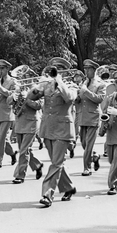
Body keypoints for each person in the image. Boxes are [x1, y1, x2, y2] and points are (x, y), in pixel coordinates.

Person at [38, 60, 78, 207]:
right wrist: (35, 88)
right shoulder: (47, 85)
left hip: (63, 129)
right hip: (48, 128)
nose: (54, 73)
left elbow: (69, 98)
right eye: (53, 70)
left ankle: (47, 194)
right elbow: (34, 96)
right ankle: (69, 187)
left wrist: (59, 82)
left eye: (57, 71)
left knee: (55, 163)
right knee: (57, 163)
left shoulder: (71, 85)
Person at [76, 59, 107, 175]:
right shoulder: (84, 83)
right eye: (85, 69)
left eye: (88, 69)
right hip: (83, 116)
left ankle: (87, 168)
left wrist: (86, 91)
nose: (86, 71)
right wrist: (77, 95)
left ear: (94, 70)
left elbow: (99, 99)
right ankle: (94, 155)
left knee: (89, 144)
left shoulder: (100, 84)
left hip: (93, 116)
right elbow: (80, 100)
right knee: (83, 142)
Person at [12, 85, 44, 183]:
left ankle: (20, 175)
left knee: (24, 150)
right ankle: (37, 165)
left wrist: (26, 99)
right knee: (24, 150)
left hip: (31, 123)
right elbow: (9, 102)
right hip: (20, 123)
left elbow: (39, 105)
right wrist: (13, 96)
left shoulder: (38, 90)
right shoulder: (17, 88)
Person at [0, 59, 18, 168]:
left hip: (7, 111)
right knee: (0, 138)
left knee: (1, 137)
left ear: (7, 69)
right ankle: (12, 153)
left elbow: (13, 95)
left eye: (2, 68)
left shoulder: (13, 81)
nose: (0, 70)